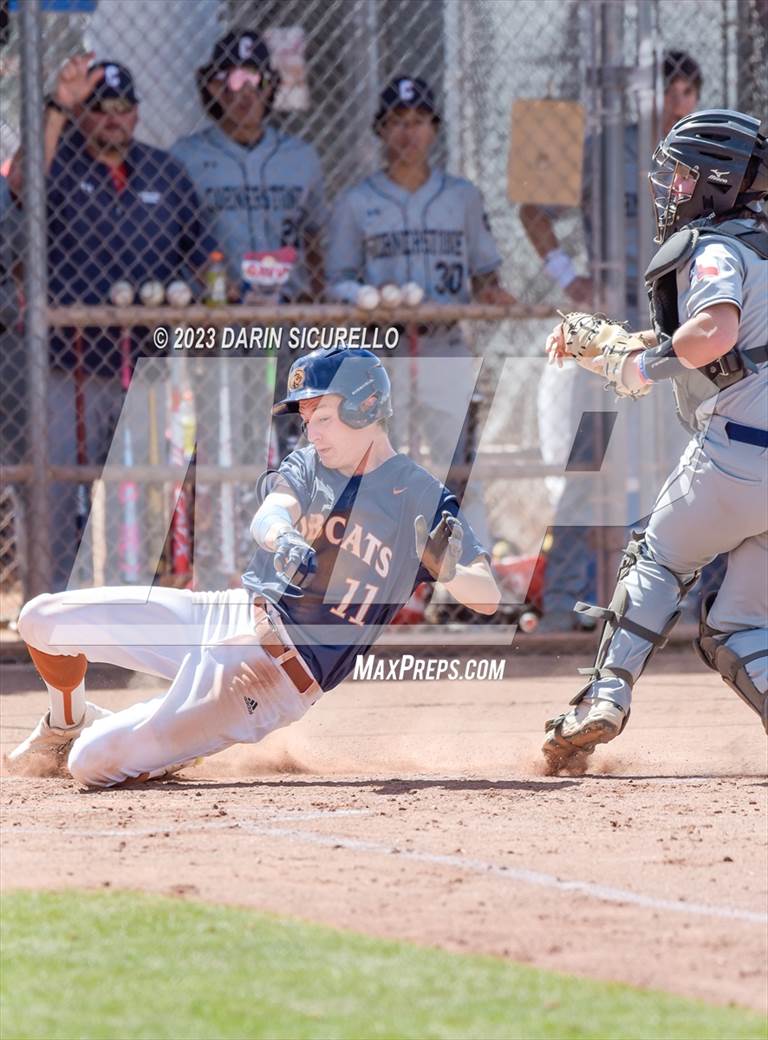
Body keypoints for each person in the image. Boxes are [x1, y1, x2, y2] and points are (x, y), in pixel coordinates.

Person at [8, 348, 500, 786]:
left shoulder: (421, 496)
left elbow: (489, 597)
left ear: (366, 407)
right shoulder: (312, 464)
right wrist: (282, 535)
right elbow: (272, 512)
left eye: (323, 416)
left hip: (269, 678)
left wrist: (448, 569)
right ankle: (65, 722)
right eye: (306, 418)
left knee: (90, 763)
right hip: (229, 613)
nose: (312, 430)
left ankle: (168, 740)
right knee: (40, 618)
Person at [540, 109, 768, 773]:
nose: (673, 186)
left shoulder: (718, 245)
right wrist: (652, 345)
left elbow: (718, 332)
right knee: (738, 624)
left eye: (686, 173)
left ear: (717, 182)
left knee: (658, 559)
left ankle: (603, 696)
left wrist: (633, 366)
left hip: (737, 456)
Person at [5, 54, 214, 590]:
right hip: (65, 362)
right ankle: (49, 610)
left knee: (144, 489)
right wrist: (57, 106)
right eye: (99, 110)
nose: (112, 120)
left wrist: (195, 290)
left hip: (147, 366)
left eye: (123, 109)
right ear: (82, 116)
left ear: (137, 115)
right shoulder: (61, 162)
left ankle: (131, 605)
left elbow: (205, 255)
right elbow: (23, 183)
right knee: (54, 490)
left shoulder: (164, 172)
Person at [524, 51, 703, 632]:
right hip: (609, 331)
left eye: (685, 93)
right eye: (667, 91)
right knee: (587, 464)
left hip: (678, 330)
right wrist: (566, 274)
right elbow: (533, 209)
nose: (676, 103)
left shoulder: (704, 154)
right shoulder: (603, 146)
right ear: (645, 95)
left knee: (683, 463)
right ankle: (563, 602)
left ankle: (676, 603)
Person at [327, 76, 515, 544]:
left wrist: (492, 290)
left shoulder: (462, 197)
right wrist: (369, 294)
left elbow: (485, 271)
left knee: (460, 470)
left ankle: (472, 578)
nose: (408, 134)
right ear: (381, 131)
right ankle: (384, 581)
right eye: (397, 123)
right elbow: (336, 280)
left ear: (433, 129)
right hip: (383, 351)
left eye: (418, 122)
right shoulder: (358, 202)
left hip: (447, 345)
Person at [171, 29, 327, 459]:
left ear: (271, 85)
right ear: (212, 86)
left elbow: (315, 237)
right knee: (231, 441)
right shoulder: (184, 158)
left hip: (290, 318)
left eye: (254, 79)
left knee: (300, 441)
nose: (244, 93)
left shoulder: (301, 157)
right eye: (231, 80)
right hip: (224, 323)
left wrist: (319, 307)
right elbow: (176, 243)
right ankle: (233, 523)